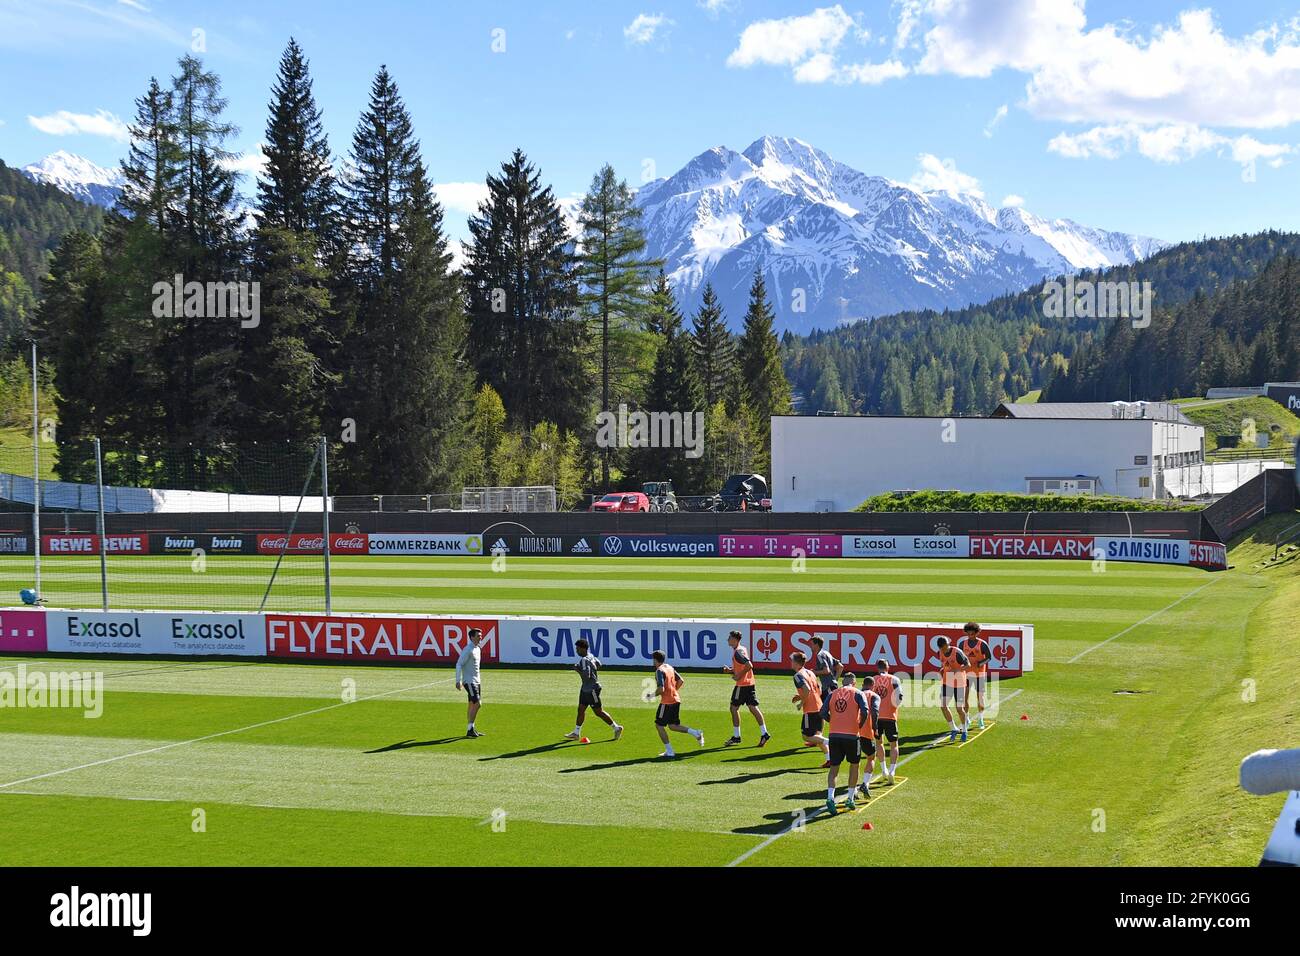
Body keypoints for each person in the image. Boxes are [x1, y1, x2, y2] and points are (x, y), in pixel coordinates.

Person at [823, 672, 875, 814]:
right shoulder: (858, 693)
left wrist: (832, 721)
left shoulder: (833, 693)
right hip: (852, 736)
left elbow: (822, 712)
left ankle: (830, 797)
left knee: (834, 768)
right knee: (854, 765)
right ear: (854, 682)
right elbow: (865, 711)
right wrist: (859, 724)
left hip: (834, 735)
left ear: (843, 681)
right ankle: (850, 798)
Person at [564, 638, 623, 741]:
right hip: (585, 689)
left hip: (592, 690)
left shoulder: (584, 660)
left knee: (598, 712)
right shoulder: (591, 656)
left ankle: (616, 728)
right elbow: (599, 664)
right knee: (581, 709)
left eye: (578, 649)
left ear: (583, 649)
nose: (576, 651)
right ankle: (576, 733)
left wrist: (578, 670)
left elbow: (586, 676)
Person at [721, 630, 771, 747]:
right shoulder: (741, 649)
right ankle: (764, 733)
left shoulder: (738, 652)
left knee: (733, 708)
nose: (728, 639)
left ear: (734, 639)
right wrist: (730, 671)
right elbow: (743, 667)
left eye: (729, 637)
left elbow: (749, 665)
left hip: (742, 685)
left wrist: (738, 675)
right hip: (750, 683)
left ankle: (736, 736)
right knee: (753, 707)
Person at [651, 650, 704, 757]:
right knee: (673, 726)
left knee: (659, 725)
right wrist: (673, 691)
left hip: (667, 702)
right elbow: (681, 680)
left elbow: (661, 688)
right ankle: (696, 733)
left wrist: (651, 695)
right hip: (676, 700)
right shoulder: (669, 667)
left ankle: (669, 751)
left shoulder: (659, 671)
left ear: (655, 660)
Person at [790, 652, 829, 762]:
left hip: (810, 709)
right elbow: (818, 689)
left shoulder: (797, 676)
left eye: (792, 661)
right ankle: (829, 759)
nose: (791, 663)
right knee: (817, 736)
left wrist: (801, 703)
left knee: (806, 737)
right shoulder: (810, 673)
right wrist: (800, 696)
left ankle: (831, 742)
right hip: (819, 706)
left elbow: (807, 689)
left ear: (797, 663)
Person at [871, 660, 903, 784]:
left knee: (879, 743)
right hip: (890, 715)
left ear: (877, 668)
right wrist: (894, 707)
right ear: (887, 667)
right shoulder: (894, 679)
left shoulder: (873, 679)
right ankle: (892, 771)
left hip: (877, 716)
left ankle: (883, 769)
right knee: (893, 744)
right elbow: (900, 696)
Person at [957, 622, 992, 730]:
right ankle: (967, 718)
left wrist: (980, 663)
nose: (970, 635)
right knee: (964, 698)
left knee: (980, 697)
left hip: (979, 674)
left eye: (972, 633)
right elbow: (959, 657)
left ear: (977, 633)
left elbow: (989, 657)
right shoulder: (962, 644)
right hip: (966, 675)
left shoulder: (982, 644)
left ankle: (980, 718)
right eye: (969, 633)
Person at [936, 636, 970, 742]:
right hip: (947, 682)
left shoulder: (957, 652)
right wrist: (942, 670)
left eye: (946, 645)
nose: (946, 648)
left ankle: (964, 730)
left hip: (959, 682)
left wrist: (958, 669)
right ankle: (953, 728)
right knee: (943, 706)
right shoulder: (940, 653)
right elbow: (944, 665)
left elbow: (968, 665)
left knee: (959, 709)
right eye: (943, 647)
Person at [455, 628, 486, 738]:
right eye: (478, 635)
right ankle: (470, 729)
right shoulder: (467, 649)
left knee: (471, 704)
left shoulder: (477, 649)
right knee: (477, 703)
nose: (480, 637)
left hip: (476, 681)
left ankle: (471, 728)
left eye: (481, 635)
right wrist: (458, 680)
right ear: (472, 637)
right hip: (469, 681)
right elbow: (459, 664)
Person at [855, 677, 882, 800]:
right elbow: (875, 712)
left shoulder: (855, 693)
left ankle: (853, 789)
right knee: (871, 757)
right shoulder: (874, 696)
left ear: (863, 684)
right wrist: (875, 728)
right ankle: (865, 784)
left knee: (854, 763)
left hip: (853, 732)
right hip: (866, 732)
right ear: (873, 685)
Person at [810, 636, 842, 722]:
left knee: (823, 711)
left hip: (828, 687)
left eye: (812, 644)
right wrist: (835, 680)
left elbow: (826, 670)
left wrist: (814, 672)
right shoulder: (827, 653)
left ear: (817, 645)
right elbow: (840, 667)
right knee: (821, 708)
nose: (810, 646)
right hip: (830, 686)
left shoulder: (819, 655)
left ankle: (836, 724)